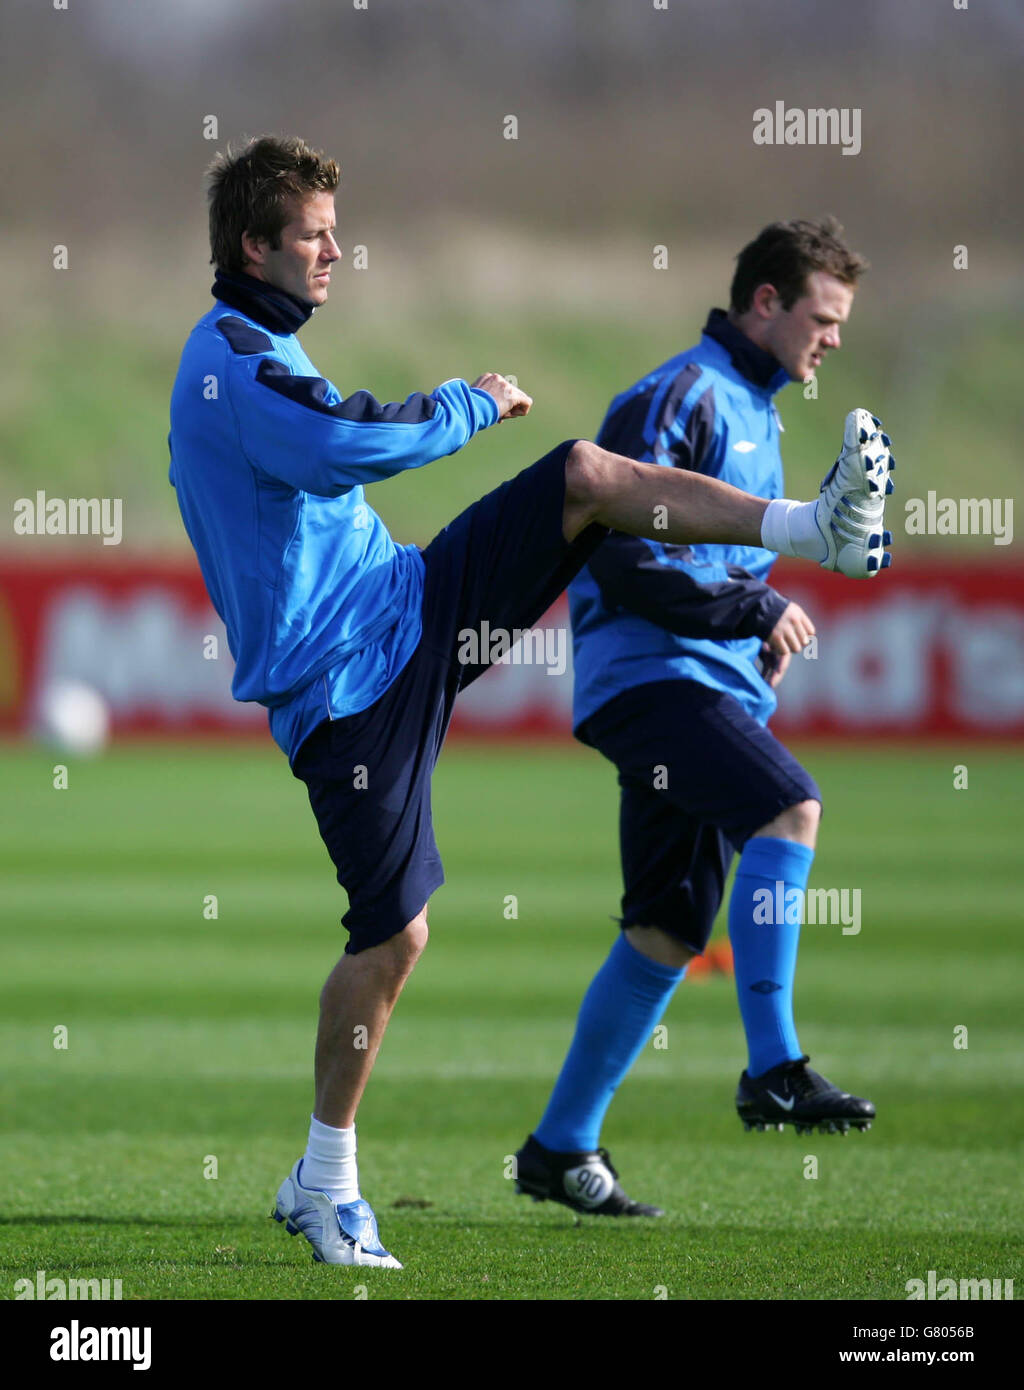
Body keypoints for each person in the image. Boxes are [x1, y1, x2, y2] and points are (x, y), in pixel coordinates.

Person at [168, 140, 893, 1267]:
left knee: (584, 477)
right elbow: (350, 441)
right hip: (347, 691)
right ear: (254, 244)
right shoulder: (230, 365)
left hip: (402, 605)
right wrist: (467, 399)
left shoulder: (250, 349)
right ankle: (323, 1180)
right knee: (395, 933)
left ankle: (810, 528)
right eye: (314, 232)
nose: (333, 249)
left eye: (331, 228)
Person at [514, 219, 893, 1220]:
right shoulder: (682, 393)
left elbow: (697, 564)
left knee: (666, 929)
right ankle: (773, 1064)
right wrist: (750, 607)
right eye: (823, 315)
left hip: (692, 679)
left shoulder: (756, 412)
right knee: (788, 805)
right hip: (650, 682)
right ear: (762, 303)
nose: (835, 338)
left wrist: (746, 630)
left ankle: (558, 1147)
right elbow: (614, 543)